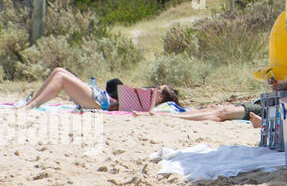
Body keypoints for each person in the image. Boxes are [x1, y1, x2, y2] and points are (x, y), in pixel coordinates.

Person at [23, 67, 180, 112]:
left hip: (99, 102)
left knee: (61, 78)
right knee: (59, 71)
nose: (154, 89)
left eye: (159, 90)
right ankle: (31, 102)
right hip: (99, 97)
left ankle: (31, 106)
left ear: (161, 98)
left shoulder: (148, 105)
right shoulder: (144, 100)